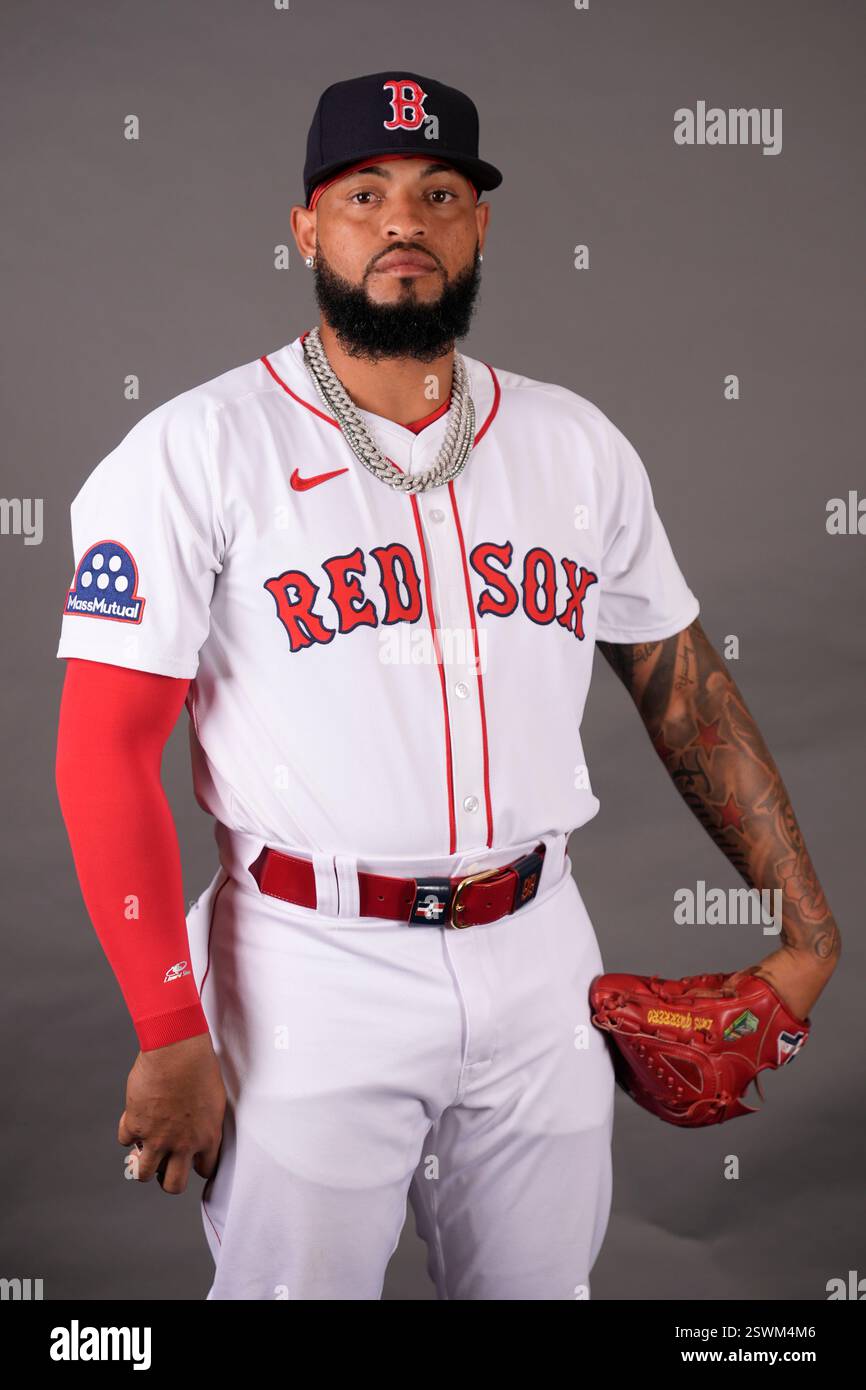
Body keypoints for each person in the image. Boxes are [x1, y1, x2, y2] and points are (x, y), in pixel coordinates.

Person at [54, 71, 839, 1301]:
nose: (402, 219)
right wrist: (167, 1029)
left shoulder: (573, 443)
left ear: (479, 227)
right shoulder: (196, 450)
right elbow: (101, 754)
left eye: (439, 192)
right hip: (306, 961)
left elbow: (679, 687)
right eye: (363, 193)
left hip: (539, 953)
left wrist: (806, 926)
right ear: (306, 227)